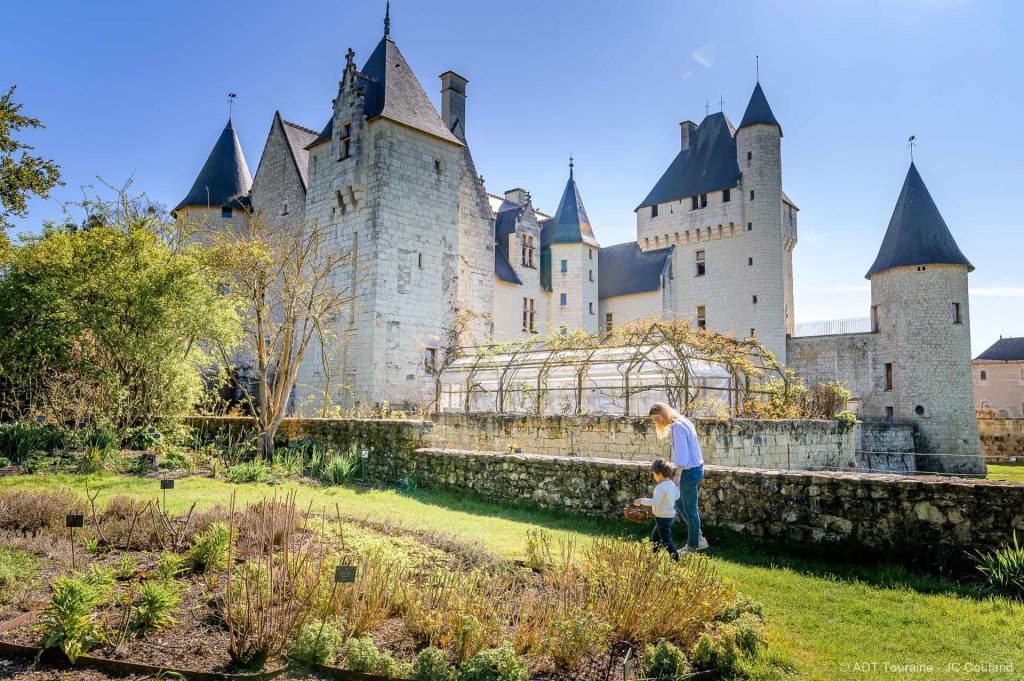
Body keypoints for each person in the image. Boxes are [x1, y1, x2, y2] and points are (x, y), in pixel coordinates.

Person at [649, 402, 708, 554]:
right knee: (680, 505)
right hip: (695, 469)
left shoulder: (676, 426)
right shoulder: (684, 421)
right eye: (655, 420)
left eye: (657, 418)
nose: (657, 422)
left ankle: (693, 547)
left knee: (690, 510)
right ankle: (698, 537)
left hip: (688, 472)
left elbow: (682, 453)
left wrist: (677, 474)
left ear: (663, 413)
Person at [633, 458, 680, 560]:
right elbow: (677, 496)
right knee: (656, 536)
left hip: (662, 517)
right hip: (669, 516)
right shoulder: (671, 484)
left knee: (666, 540)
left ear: (659, 474)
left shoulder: (661, 487)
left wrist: (641, 500)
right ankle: (653, 555)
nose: (653, 476)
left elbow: (655, 501)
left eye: (654, 474)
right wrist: (677, 488)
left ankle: (676, 558)